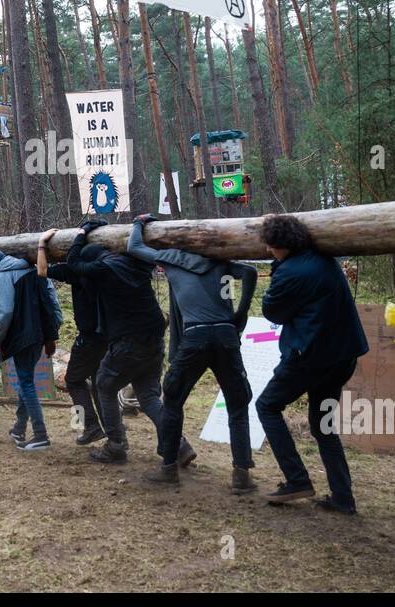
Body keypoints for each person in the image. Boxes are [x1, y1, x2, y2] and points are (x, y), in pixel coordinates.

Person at [126, 215, 260, 493]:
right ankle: (241, 475)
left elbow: (134, 247)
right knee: (237, 404)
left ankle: (169, 470)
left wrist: (138, 223)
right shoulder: (220, 260)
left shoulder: (171, 259)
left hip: (195, 337)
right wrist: (240, 313)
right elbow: (250, 272)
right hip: (226, 337)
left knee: (173, 400)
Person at [254, 214, 368, 514]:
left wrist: (278, 270)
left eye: (270, 246)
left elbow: (273, 312)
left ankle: (297, 480)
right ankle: (343, 497)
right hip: (343, 357)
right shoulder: (324, 260)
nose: (267, 251)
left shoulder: (289, 271)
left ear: (281, 245)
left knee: (267, 406)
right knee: (324, 427)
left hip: (310, 357)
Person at [64, 224, 189, 466]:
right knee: (149, 395)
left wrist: (80, 236)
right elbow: (136, 248)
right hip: (154, 340)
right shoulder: (135, 265)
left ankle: (116, 445)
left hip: (129, 342)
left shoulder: (103, 268)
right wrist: (136, 225)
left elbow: (74, 264)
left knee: (105, 386)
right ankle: (179, 445)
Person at [37, 221, 110, 445]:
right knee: (100, 382)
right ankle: (112, 428)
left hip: (88, 337)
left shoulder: (75, 270)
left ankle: (90, 426)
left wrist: (41, 244)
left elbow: (42, 271)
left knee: (73, 380)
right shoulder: (109, 268)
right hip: (110, 336)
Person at [0, 247, 62, 451]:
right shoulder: (33, 267)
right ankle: (19, 428)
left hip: (22, 337)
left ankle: (40, 434)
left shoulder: (2, 275)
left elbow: (3, 312)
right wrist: (51, 334)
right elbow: (51, 300)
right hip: (38, 335)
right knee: (25, 379)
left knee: (26, 383)